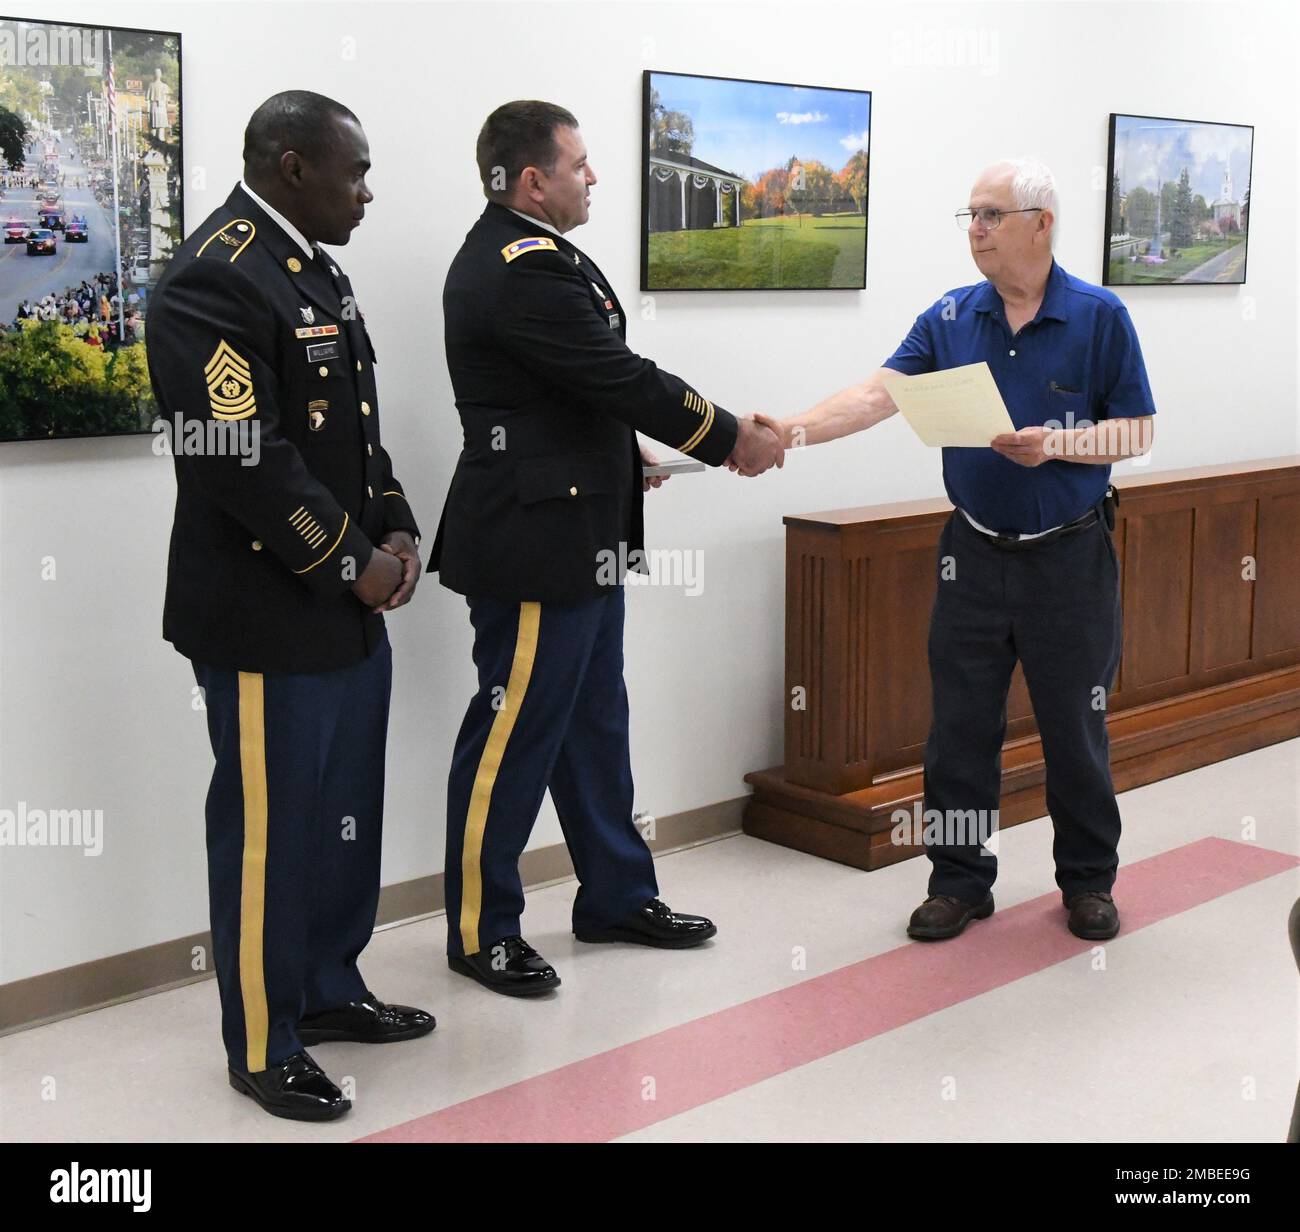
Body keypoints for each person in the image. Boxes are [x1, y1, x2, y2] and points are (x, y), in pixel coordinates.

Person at [430, 100, 783, 997]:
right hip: (531, 546)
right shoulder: (515, 267)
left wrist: (623, 457)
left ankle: (617, 895)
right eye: (580, 165)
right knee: (512, 738)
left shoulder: (548, 257)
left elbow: (570, 395)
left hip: (578, 532)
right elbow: (617, 376)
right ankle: (481, 931)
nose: (595, 178)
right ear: (531, 179)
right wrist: (728, 434)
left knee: (595, 728)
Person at [757, 158, 1155, 944]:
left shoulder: (1100, 316)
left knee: (1075, 731)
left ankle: (1087, 883)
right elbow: (877, 395)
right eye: (969, 215)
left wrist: (1062, 444)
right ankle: (960, 881)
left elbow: (1139, 431)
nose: (975, 229)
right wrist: (788, 431)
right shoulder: (950, 317)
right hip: (971, 556)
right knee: (959, 733)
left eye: (991, 214)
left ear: (1040, 225)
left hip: (1069, 560)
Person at [148, 90, 434, 1122]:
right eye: (353, 171)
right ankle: (264, 1041)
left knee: (344, 816)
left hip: (348, 605)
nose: (367, 190)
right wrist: (348, 559)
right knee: (270, 832)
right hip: (267, 612)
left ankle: (330, 985)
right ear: (290, 164)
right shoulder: (212, 279)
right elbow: (242, 459)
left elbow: (352, 432)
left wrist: (394, 528)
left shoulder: (314, 267)